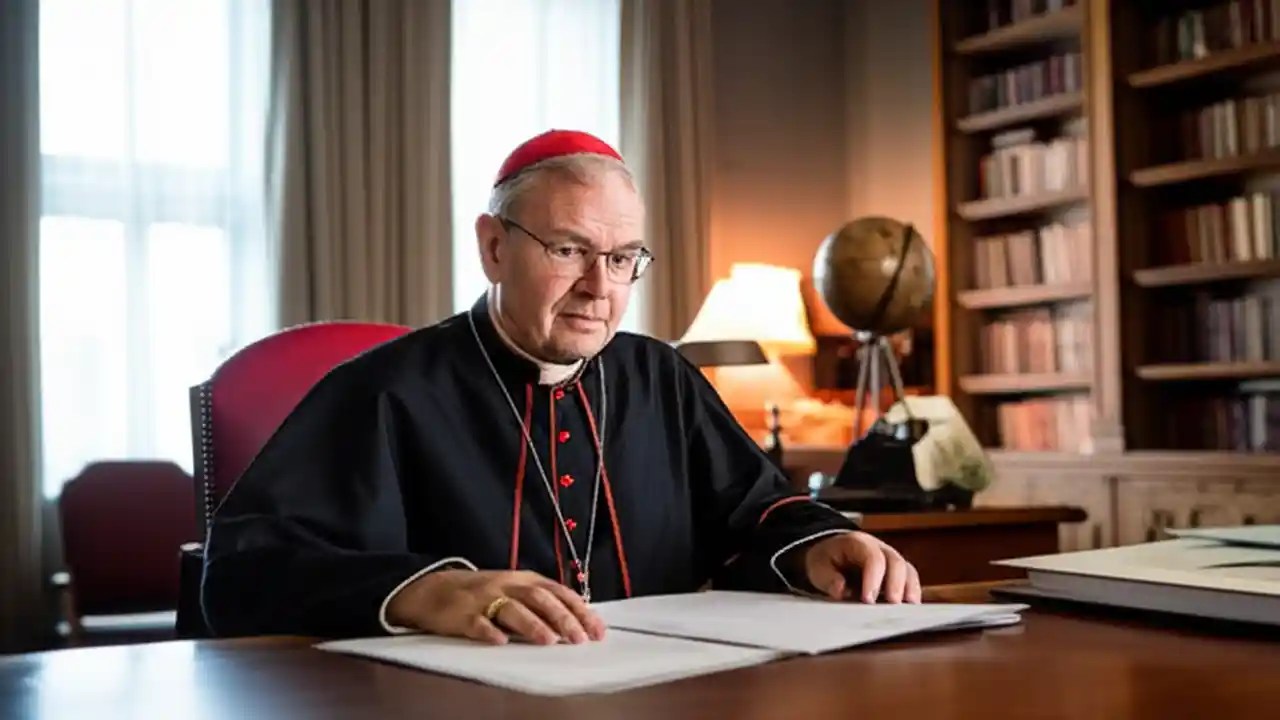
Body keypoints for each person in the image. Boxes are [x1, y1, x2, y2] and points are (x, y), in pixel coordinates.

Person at [201, 129, 921, 646]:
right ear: (493, 247)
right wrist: (424, 592)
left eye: (622, 258)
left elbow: (756, 513)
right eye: (569, 249)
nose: (598, 288)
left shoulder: (661, 378)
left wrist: (819, 544)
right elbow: (244, 570)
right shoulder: (383, 391)